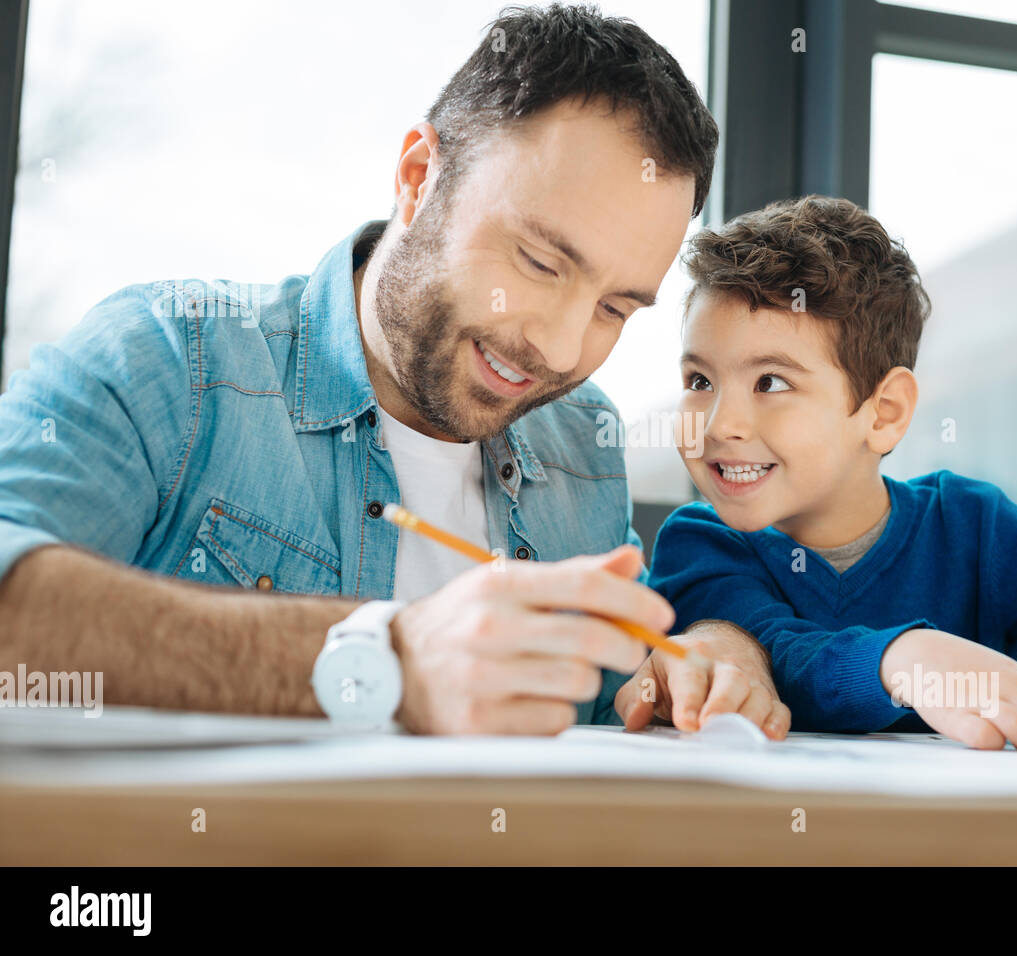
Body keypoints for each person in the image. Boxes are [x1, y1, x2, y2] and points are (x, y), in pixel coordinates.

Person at [0, 4, 789, 739]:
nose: (558, 347)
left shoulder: (582, 444)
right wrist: (381, 659)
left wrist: (710, 651)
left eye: (616, 308)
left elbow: (640, 663)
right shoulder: (172, 360)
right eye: (542, 262)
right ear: (418, 179)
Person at [648, 195, 1017, 754]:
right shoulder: (699, 545)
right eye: (700, 382)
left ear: (885, 413)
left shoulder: (975, 529)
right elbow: (777, 656)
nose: (721, 424)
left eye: (770, 383)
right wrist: (905, 660)